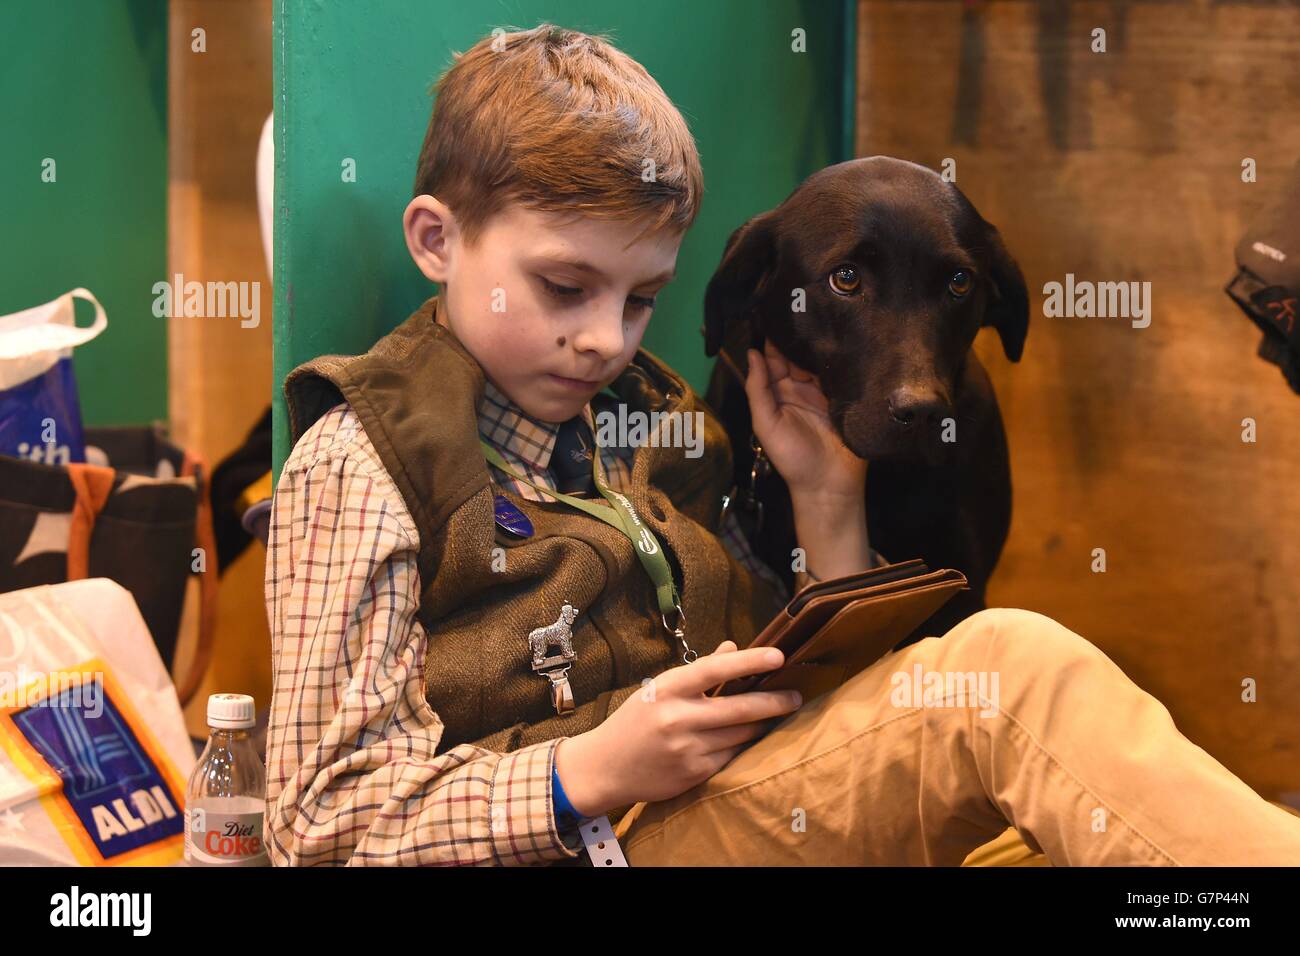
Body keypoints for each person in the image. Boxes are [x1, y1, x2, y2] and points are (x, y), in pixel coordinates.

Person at [264, 23, 1300, 866]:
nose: (604, 338)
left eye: (640, 301)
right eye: (564, 287)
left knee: (1065, 810)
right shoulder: (357, 464)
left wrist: (823, 499)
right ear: (438, 239)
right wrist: (586, 769)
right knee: (1006, 673)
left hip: (736, 800)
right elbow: (312, 822)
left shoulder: (654, 427)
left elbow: (834, 692)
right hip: (597, 840)